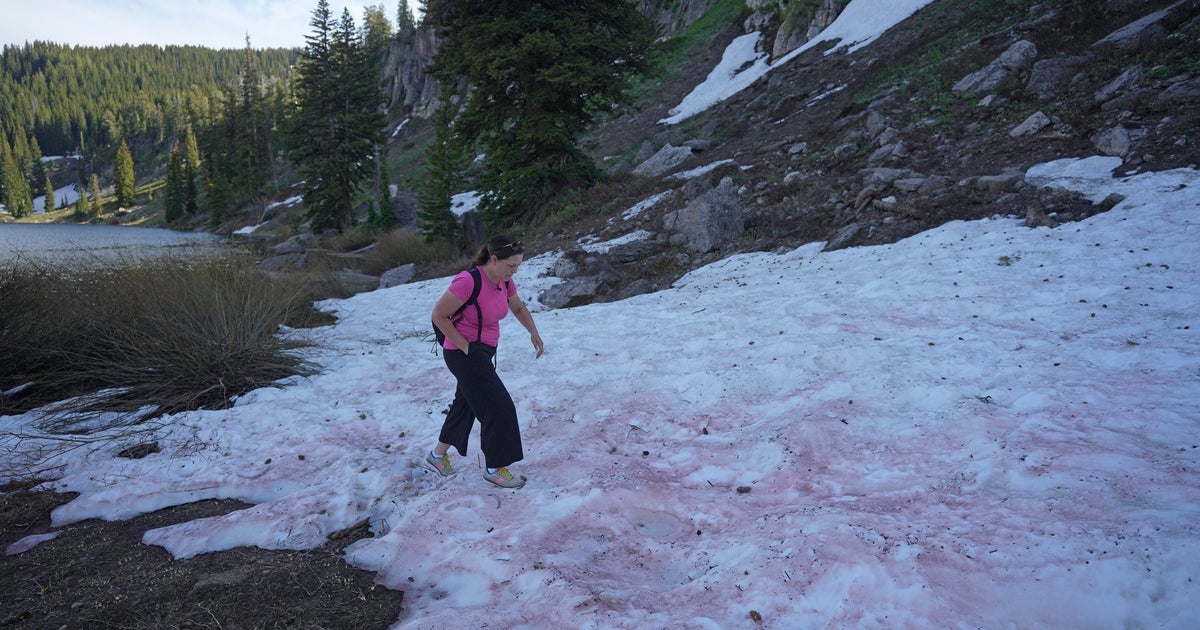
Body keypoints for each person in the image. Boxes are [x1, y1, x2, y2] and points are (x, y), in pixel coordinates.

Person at [427, 235, 544, 488]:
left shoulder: (505, 281)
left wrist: (533, 332)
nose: (514, 271)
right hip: (464, 353)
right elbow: (439, 315)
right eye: (510, 265)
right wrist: (466, 347)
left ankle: (437, 456)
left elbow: (518, 308)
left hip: (483, 351)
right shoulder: (468, 281)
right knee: (498, 407)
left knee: (466, 404)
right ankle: (495, 468)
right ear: (493, 259)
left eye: (518, 266)